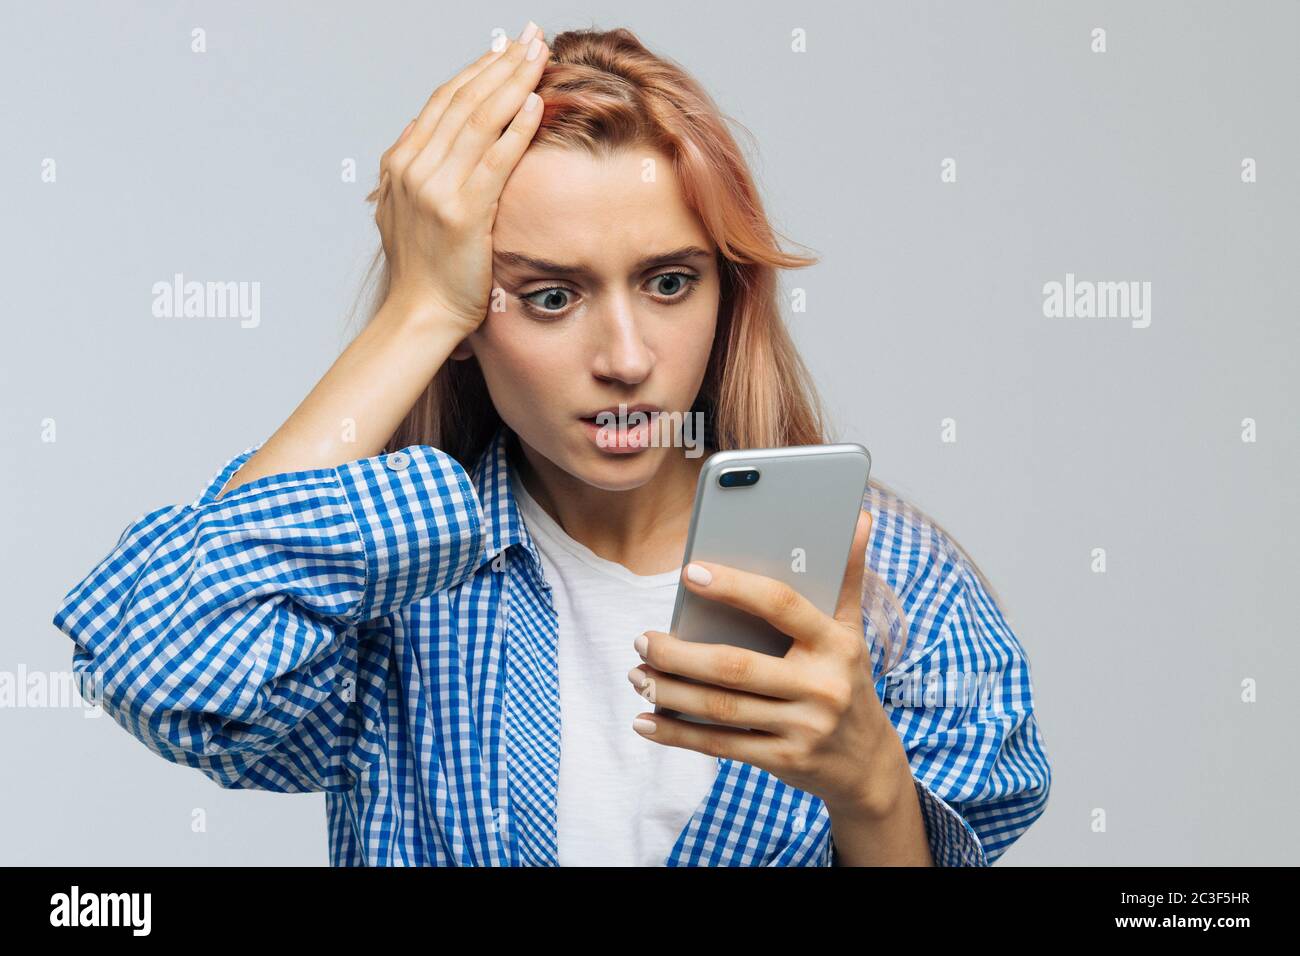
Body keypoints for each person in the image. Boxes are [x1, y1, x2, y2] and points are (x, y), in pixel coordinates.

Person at [52, 22, 1051, 866]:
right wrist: (411, 311)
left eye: (669, 281)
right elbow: (163, 657)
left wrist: (870, 788)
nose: (626, 358)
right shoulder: (381, 595)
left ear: (727, 291)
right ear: (467, 321)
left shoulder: (895, 583)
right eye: (549, 295)